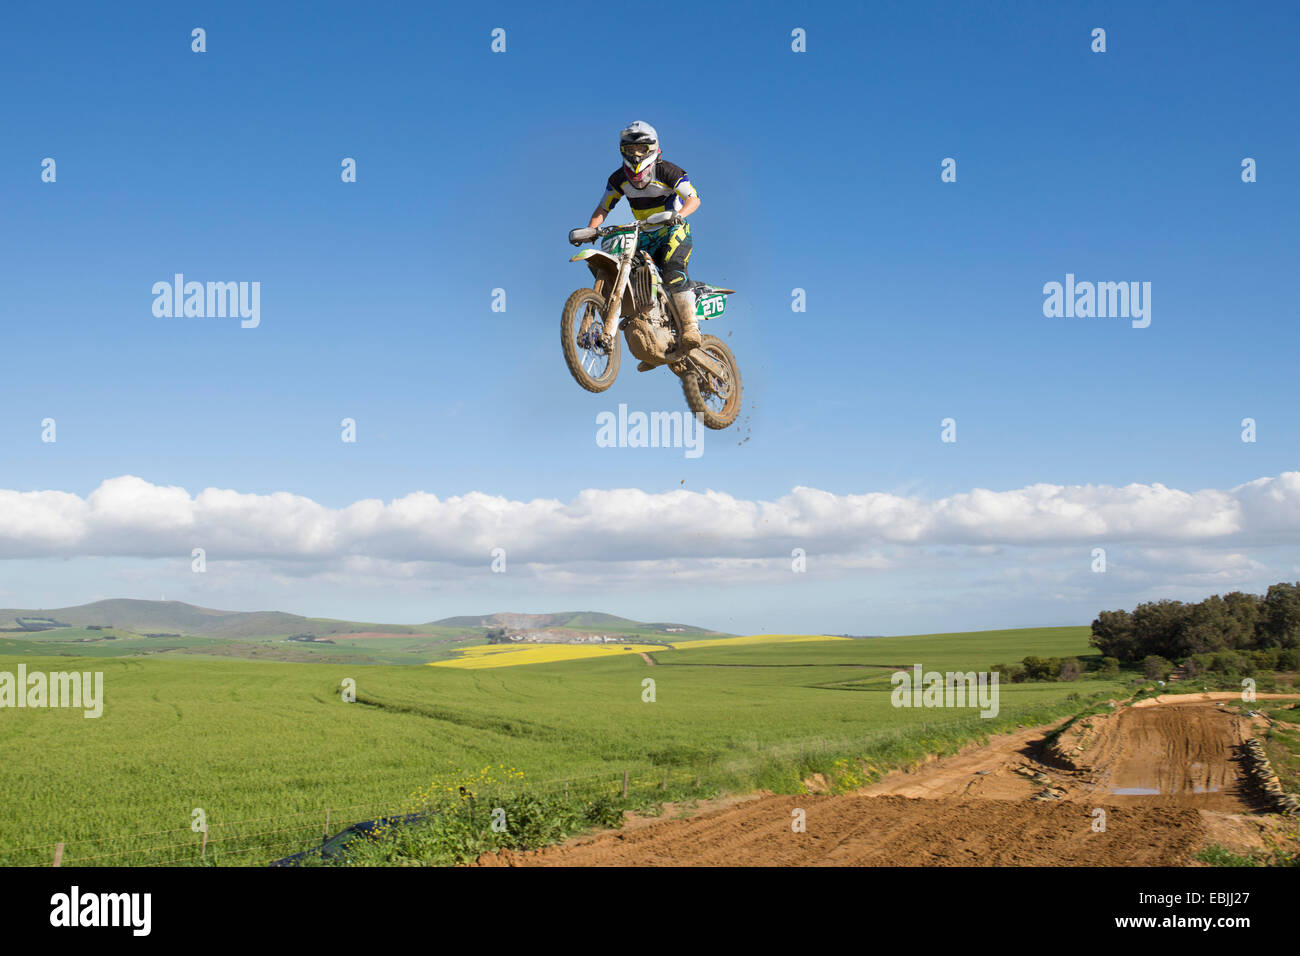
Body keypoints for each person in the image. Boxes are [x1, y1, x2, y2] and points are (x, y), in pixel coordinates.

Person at [583, 121, 702, 362]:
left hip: (672, 230)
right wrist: (591, 230)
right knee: (629, 276)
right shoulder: (618, 178)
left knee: (672, 270)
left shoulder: (668, 171)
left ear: (652, 148)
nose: (636, 154)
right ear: (623, 151)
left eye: (641, 148)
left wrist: (679, 215)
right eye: (631, 149)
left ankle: (690, 328)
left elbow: (693, 199)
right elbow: (603, 207)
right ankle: (651, 337)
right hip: (643, 234)